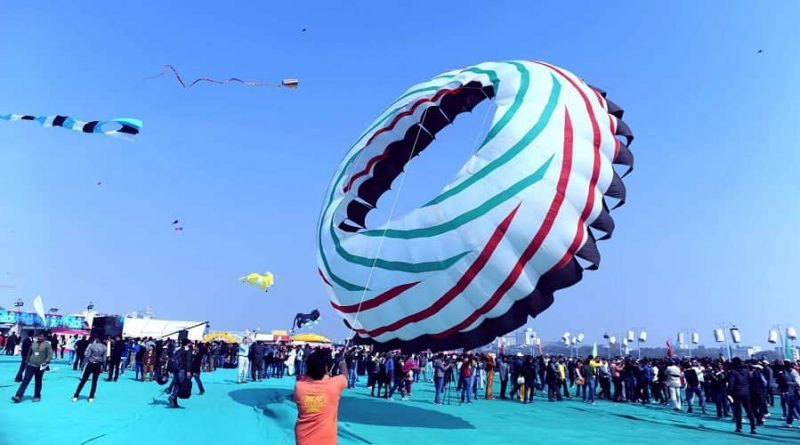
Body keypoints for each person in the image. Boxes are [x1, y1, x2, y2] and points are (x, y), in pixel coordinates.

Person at [294, 348, 346, 445]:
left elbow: (304, 377)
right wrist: (342, 362)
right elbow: (344, 375)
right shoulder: (333, 385)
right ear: (325, 368)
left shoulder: (299, 387)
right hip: (327, 441)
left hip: (303, 439)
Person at [12, 332, 53, 403]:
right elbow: (29, 353)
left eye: (41, 336)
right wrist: (27, 361)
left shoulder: (47, 345)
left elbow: (50, 355)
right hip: (31, 365)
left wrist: (46, 362)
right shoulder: (33, 343)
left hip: (41, 366)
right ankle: (18, 396)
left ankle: (37, 396)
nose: (39, 337)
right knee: (25, 380)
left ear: (45, 337)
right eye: (39, 336)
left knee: (38, 381)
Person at [728, 357, 757, 434]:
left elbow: (731, 384)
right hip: (746, 392)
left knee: (738, 411)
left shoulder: (733, 372)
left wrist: (729, 393)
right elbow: (751, 381)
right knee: (749, 410)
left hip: (737, 393)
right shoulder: (747, 371)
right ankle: (753, 427)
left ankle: (739, 427)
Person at [72, 337, 106, 402]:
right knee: (94, 382)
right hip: (98, 364)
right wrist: (104, 367)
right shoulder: (104, 347)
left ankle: (76, 395)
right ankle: (91, 396)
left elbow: (87, 356)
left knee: (83, 380)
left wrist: (82, 364)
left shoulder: (92, 346)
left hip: (90, 364)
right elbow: (104, 359)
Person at [168, 338, 194, 408]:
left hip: (176, 368)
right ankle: (172, 397)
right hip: (182, 369)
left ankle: (174, 400)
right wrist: (188, 371)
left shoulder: (179, 349)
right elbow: (189, 361)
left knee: (176, 383)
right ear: (188, 343)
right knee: (180, 385)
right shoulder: (188, 350)